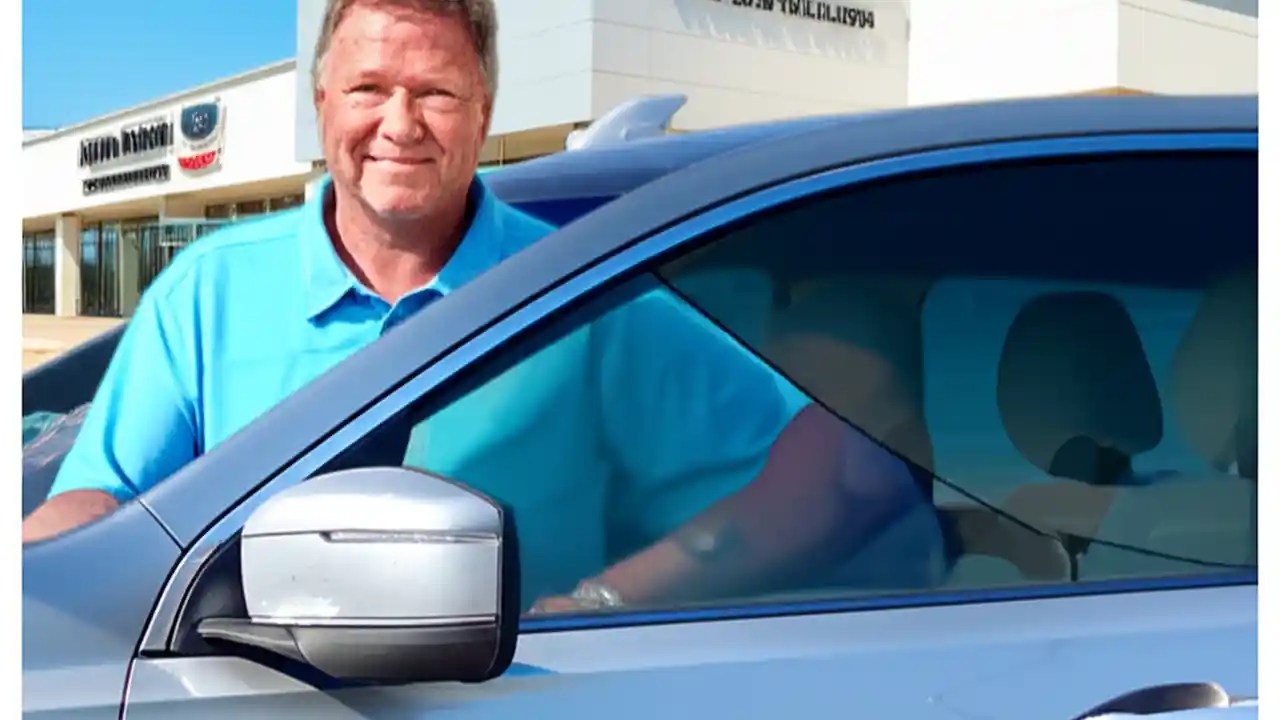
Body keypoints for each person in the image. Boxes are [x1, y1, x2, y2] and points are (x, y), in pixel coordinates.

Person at [22, 0, 937, 611]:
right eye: (371, 89)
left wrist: (598, 605)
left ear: (486, 108)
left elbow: (845, 476)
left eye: (435, 93)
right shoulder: (206, 292)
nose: (399, 124)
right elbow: (99, 502)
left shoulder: (581, 289)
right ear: (320, 103)